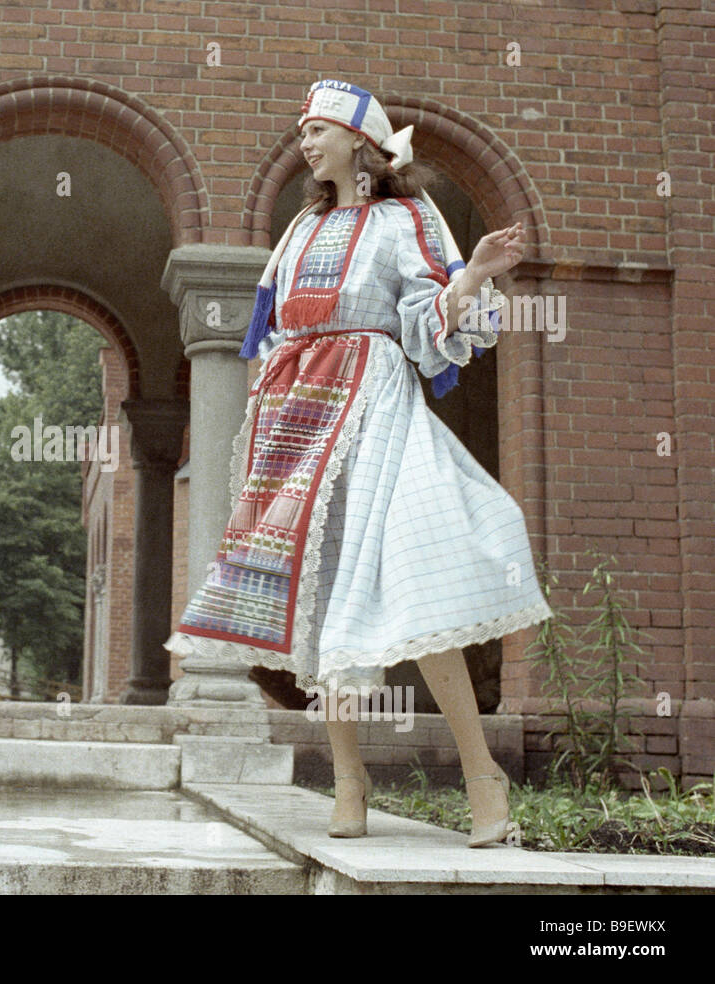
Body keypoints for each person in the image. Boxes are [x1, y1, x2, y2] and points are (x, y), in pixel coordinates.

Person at [166, 79, 553, 847]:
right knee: (323, 597)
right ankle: (349, 777)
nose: (306, 142)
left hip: (374, 406)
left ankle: (482, 771)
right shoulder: (300, 229)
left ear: (359, 143)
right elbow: (277, 331)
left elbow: (421, 323)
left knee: (413, 576)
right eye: (303, 129)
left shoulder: (402, 219)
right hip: (296, 420)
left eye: (318, 129)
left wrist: (471, 274)